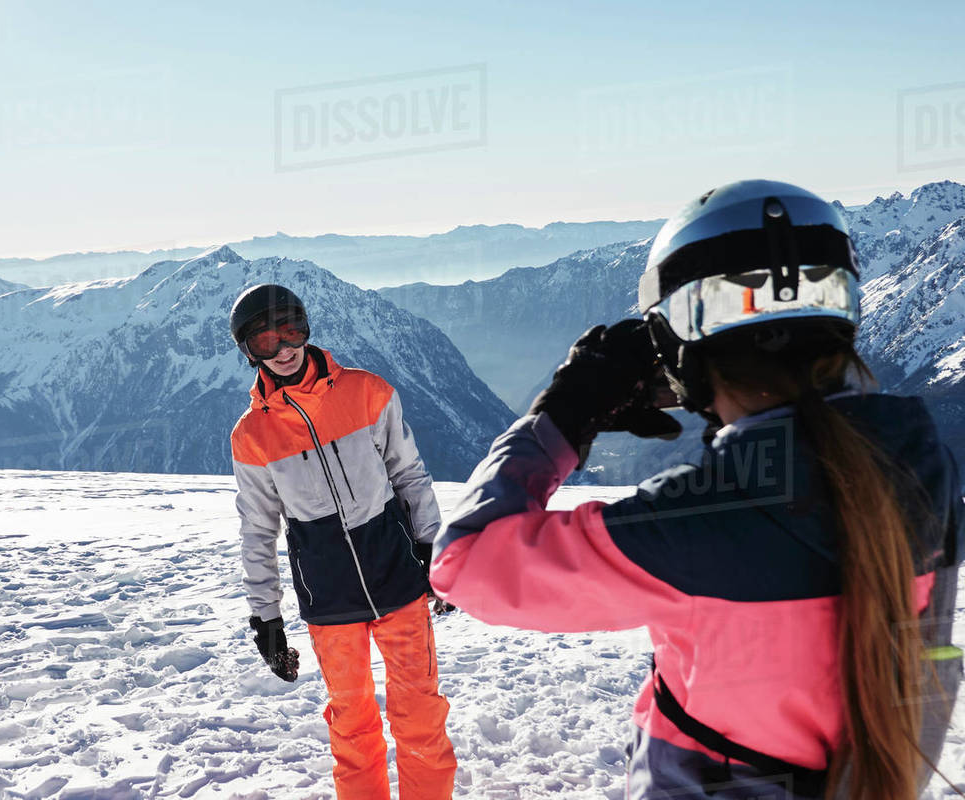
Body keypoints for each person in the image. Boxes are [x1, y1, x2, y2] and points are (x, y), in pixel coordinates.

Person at [429, 180, 964, 800]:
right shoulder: (922, 467)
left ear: (678, 346)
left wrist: (564, 418)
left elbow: (464, 562)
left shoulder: (698, 520)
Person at [228, 283, 458, 800]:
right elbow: (258, 529)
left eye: (292, 332)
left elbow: (410, 477)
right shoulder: (252, 436)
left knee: (419, 712)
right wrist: (266, 616)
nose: (284, 349)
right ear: (249, 352)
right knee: (351, 725)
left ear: (307, 328)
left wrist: (436, 553)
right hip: (329, 596)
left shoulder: (366, 391)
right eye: (267, 342)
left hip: (397, 575)